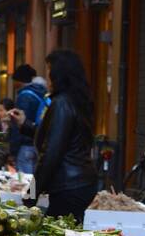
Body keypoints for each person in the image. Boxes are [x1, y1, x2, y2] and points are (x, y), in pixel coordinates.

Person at [33, 48, 98, 221]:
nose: (47, 78)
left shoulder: (62, 103)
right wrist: (25, 126)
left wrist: (32, 192)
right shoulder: (78, 101)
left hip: (68, 186)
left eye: (49, 71)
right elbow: (61, 138)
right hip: (81, 183)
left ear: (58, 74)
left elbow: (51, 152)